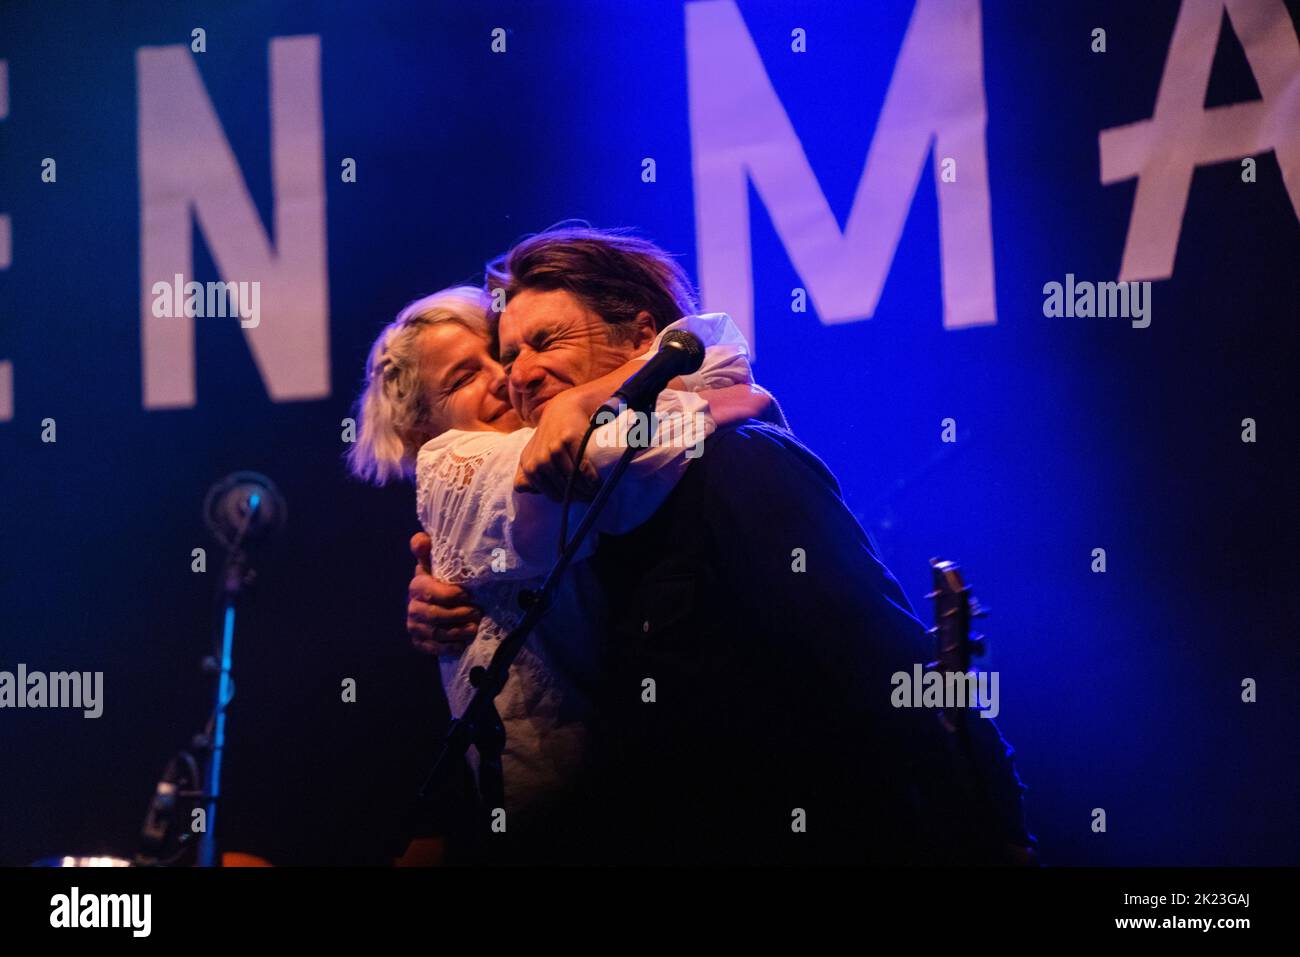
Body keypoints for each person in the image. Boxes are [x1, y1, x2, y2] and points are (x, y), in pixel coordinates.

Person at [405, 226, 1035, 864]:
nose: (518, 375)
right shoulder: (573, 517)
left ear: (641, 340)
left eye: (546, 342)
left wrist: (1000, 832)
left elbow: (885, 656)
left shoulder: (735, 460)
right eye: (510, 356)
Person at [347, 282, 773, 850]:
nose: (504, 378)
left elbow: (710, 346)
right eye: (463, 378)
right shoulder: (450, 465)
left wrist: (578, 401)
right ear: (420, 428)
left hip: (639, 796)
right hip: (553, 826)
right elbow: (609, 460)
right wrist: (702, 406)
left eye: (499, 357)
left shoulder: (546, 428)